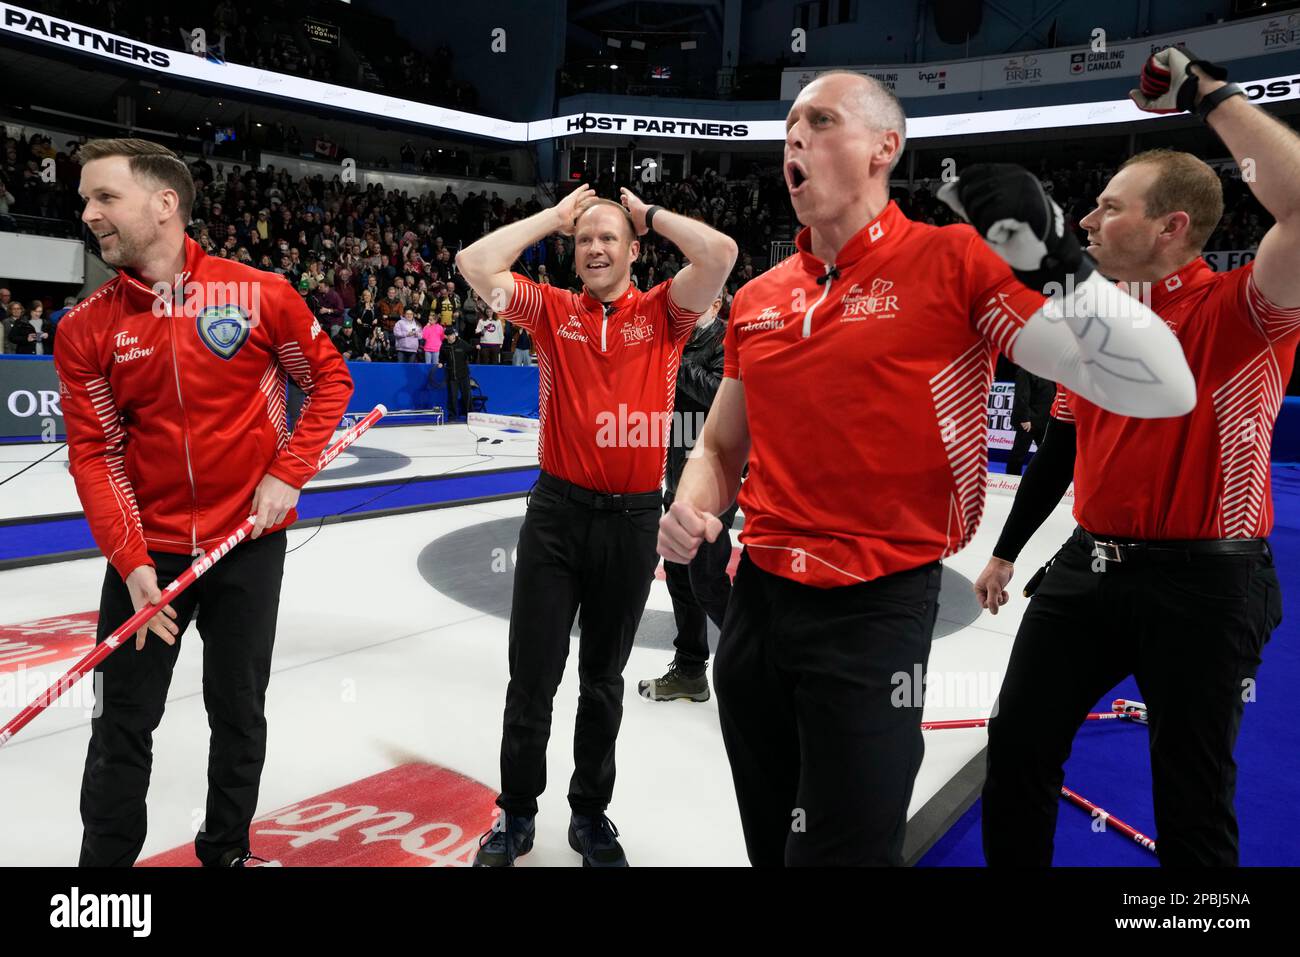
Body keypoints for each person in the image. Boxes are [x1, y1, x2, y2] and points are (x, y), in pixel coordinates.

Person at [659, 71, 1195, 867]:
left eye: (821, 119)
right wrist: (694, 503)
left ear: (886, 147)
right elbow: (721, 446)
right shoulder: (760, 296)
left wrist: (1061, 263)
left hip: (873, 615)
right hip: (757, 606)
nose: (793, 138)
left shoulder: (956, 263)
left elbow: (1161, 386)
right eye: (789, 125)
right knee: (772, 847)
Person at [975, 48, 1300, 867]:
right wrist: (1009, 551)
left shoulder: (1244, 309)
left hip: (1206, 582)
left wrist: (1208, 93)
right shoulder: (1100, 325)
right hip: (1090, 568)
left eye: (1109, 207)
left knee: (1191, 797)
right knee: (1016, 748)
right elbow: (1061, 447)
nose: (1084, 222)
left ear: (1171, 227)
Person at [56, 138, 352, 867]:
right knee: (121, 720)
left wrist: (288, 472)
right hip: (146, 552)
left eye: (103, 197)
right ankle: (104, 881)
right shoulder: (86, 327)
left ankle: (224, 852)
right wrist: (130, 563)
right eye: (85, 198)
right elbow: (93, 455)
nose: (87, 211)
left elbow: (329, 383)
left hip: (246, 541)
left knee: (237, 711)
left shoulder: (260, 294)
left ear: (164, 205)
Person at [457, 182, 736, 867]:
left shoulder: (665, 314)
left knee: (602, 680)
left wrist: (650, 213)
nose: (595, 247)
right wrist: (552, 217)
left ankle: (590, 815)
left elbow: (721, 255)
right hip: (555, 517)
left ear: (634, 250)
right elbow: (475, 263)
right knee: (532, 678)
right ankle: (515, 814)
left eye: (609, 237)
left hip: (632, 520)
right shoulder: (551, 310)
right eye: (584, 239)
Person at [639, 296, 735, 702]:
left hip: (714, 480)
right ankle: (692, 670)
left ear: (715, 302)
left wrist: (676, 362)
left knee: (707, 580)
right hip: (677, 477)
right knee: (679, 576)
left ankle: (756, 658)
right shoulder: (680, 340)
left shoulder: (728, 340)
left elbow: (722, 396)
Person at [1005, 365, 1054, 476]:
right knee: (1019, 453)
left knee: (1047, 454)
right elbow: (1021, 396)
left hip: (1044, 420)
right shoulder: (1025, 371)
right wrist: (1024, 418)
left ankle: (1045, 478)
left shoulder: (1047, 371)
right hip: (1029, 421)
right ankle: (1011, 478)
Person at [438, 326, 473, 417]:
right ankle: (452, 415)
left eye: (453, 334)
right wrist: (441, 363)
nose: (452, 336)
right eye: (450, 335)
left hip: (463, 374)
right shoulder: (444, 346)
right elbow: (441, 358)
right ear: (446, 336)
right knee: (452, 396)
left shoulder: (462, 343)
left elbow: (471, 350)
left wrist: (476, 348)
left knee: (466, 395)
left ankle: (469, 414)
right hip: (451, 375)